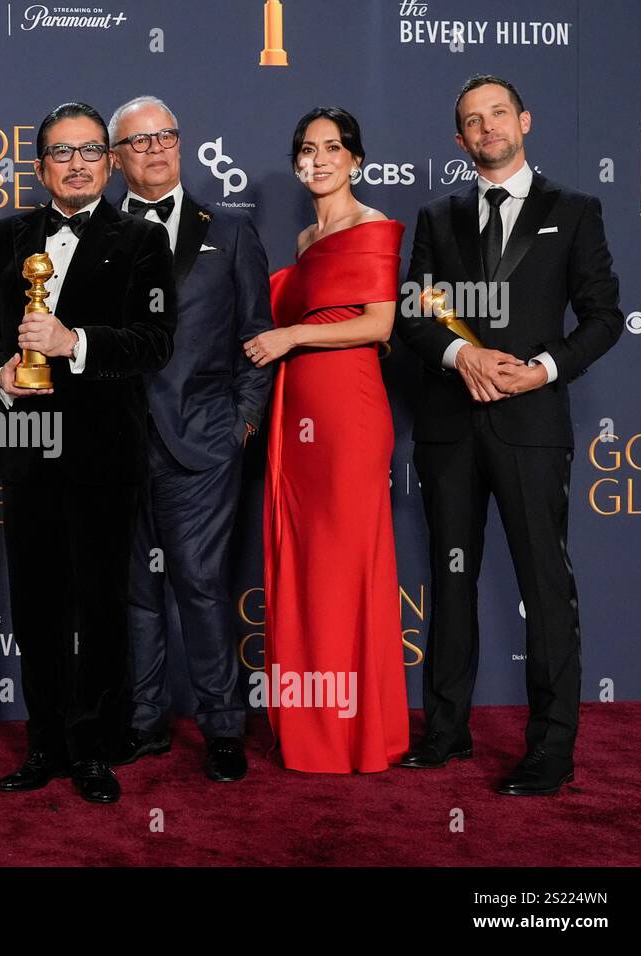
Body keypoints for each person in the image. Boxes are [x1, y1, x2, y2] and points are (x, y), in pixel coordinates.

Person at [396, 75, 623, 795]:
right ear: (459, 140)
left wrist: (545, 368)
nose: (488, 127)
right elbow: (414, 311)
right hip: (451, 428)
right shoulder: (438, 216)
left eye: (498, 113)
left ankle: (551, 750)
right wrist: (460, 355)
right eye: (472, 120)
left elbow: (603, 316)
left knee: (545, 588)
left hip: (529, 425)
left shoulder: (576, 210)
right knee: (452, 583)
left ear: (524, 119)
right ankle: (446, 732)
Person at [0, 102, 176, 804]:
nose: (78, 163)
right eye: (62, 152)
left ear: (110, 161)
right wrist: (0, 376)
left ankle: (96, 748)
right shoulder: (4, 236)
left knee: (102, 606)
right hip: (24, 448)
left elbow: (154, 342)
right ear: (40, 165)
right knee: (36, 604)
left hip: (104, 452)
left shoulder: (141, 240)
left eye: (89, 151)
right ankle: (46, 745)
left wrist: (71, 343)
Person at [108, 95, 274, 782]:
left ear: (181, 144)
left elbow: (256, 342)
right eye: (137, 142)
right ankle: (144, 725)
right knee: (134, 594)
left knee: (201, 588)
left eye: (164, 137)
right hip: (115, 445)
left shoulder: (229, 233)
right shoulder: (95, 233)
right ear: (114, 158)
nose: (153, 150)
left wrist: (240, 425)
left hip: (203, 445)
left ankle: (222, 727)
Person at [244, 107, 408, 773]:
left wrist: (291, 335)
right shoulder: (309, 237)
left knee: (346, 564)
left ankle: (357, 734)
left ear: (357, 160)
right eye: (307, 148)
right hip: (299, 410)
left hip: (348, 413)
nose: (320, 158)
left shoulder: (373, 229)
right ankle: (314, 724)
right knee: (307, 564)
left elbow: (376, 324)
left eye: (333, 147)